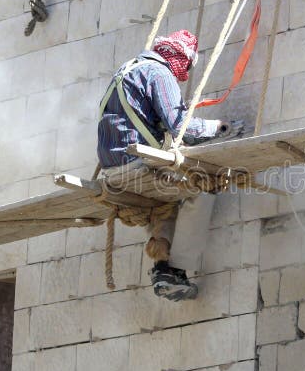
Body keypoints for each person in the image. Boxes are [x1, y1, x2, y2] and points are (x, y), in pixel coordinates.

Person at [97, 30, 242, 301]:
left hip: (114, 171)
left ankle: (162, 265)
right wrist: (218, 127)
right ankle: (177, 267)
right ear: (177, 57)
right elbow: (181, 127)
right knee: (201, 187)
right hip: (136, 165)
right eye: (184, 67)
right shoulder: (159, 73)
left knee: (166, 198)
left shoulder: (127, 70)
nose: (181, 75)